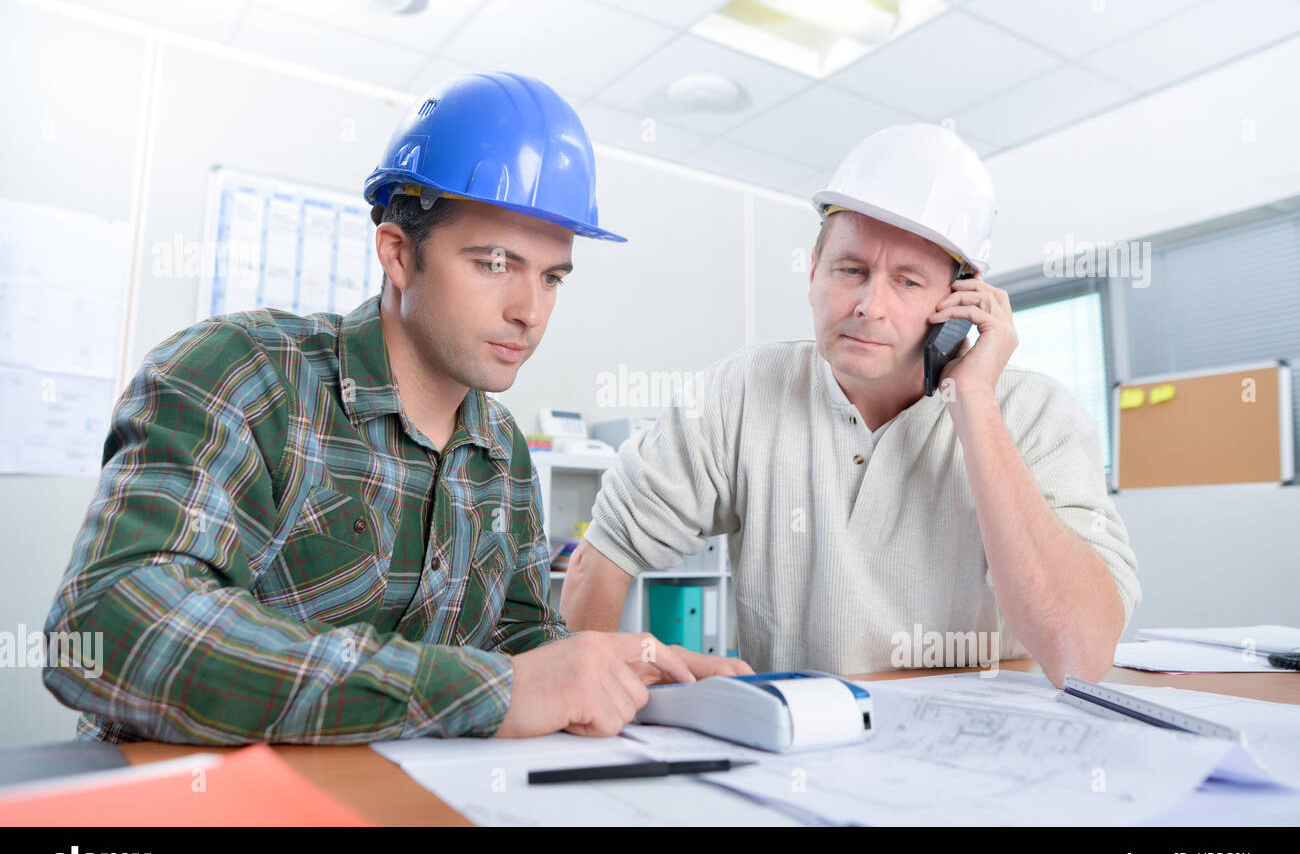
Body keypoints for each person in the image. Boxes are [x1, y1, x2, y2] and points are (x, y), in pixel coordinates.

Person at [43, 71, 747, 746]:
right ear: (398, 255)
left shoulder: (504, 455)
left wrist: (627, 681)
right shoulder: (242, 372)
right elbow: (109, 626)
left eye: (552, 277)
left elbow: (524, 653)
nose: (529, 312)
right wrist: (486, 692)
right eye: (494, 263)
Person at [561, 123, 1141, 688]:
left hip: (982, 758)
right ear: (814, 274)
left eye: (908, 282)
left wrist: (975, 405)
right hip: (804, 749)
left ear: (961, 303)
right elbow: (602, 554)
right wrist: (587, 703)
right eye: (851, 270)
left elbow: (1080, 653)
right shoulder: (739, 394)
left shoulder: (1039, 416)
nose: (869, 304)